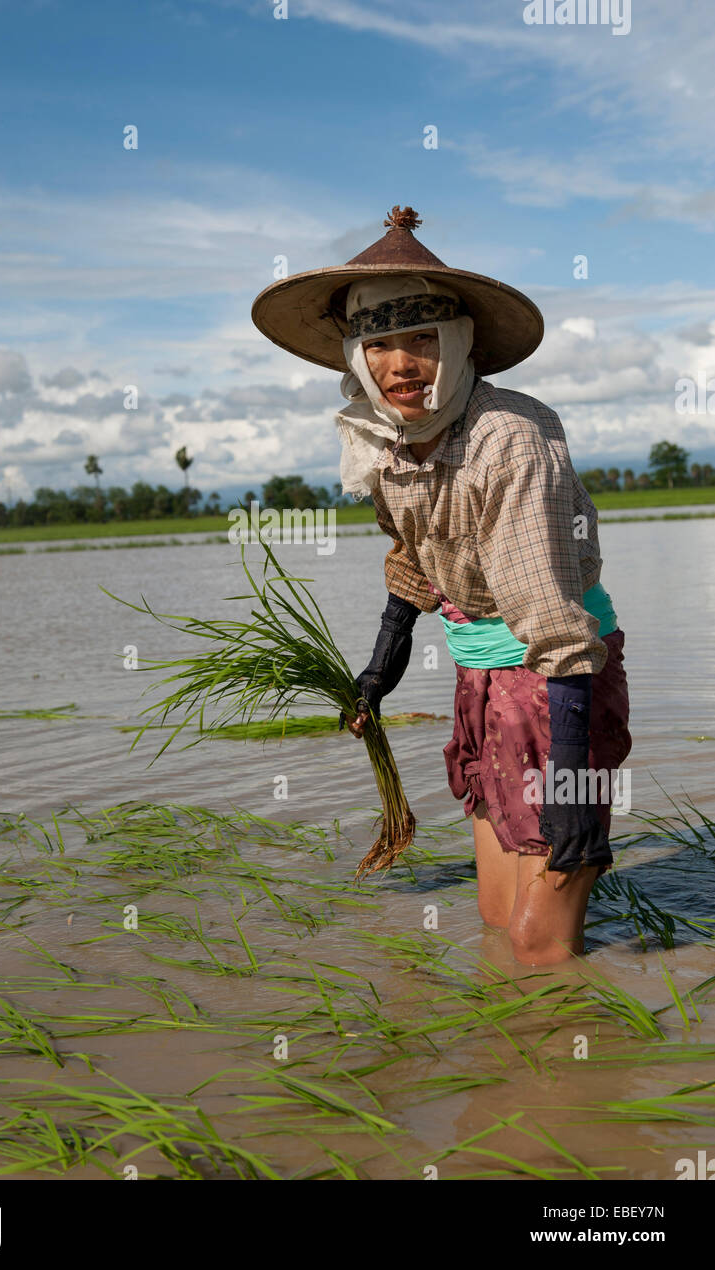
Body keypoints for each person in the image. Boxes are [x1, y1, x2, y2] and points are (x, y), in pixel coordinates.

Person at [252, 206, 632, 966]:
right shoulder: (384, 444)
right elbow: (413, 559)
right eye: (378, 343)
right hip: (478, 676)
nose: (400, 364)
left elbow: (554, 625)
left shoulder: (508, 440)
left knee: (539, 950)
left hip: (556, 680)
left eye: (421, 339)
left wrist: (572, 791)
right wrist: (379, 670)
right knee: (496, 926)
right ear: (355, 359)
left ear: (458, 343)